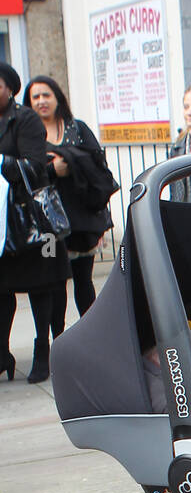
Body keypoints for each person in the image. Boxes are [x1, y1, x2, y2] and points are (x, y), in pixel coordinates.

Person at [0, 61, 70, 383]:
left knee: (43, 287)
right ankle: (3, 354)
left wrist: (3, 163)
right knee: (3, 292)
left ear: (9, 88)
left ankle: (44, 349)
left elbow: (35, 167)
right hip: (3, 227)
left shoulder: (25, 119)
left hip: (35, 225)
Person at [24, 76, 115, 317]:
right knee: (54, 283)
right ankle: (57, 340)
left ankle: (92, 338)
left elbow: (98, 169)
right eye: (36, 96)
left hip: (81, 222)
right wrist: (53, 170)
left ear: (57, 97)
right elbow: (21, 173)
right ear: (29, 102)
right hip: (47, 228)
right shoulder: (27, 134)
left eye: (47, 95)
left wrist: (73, 164)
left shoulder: (77, 128)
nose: (42, 101)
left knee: (84, 281)